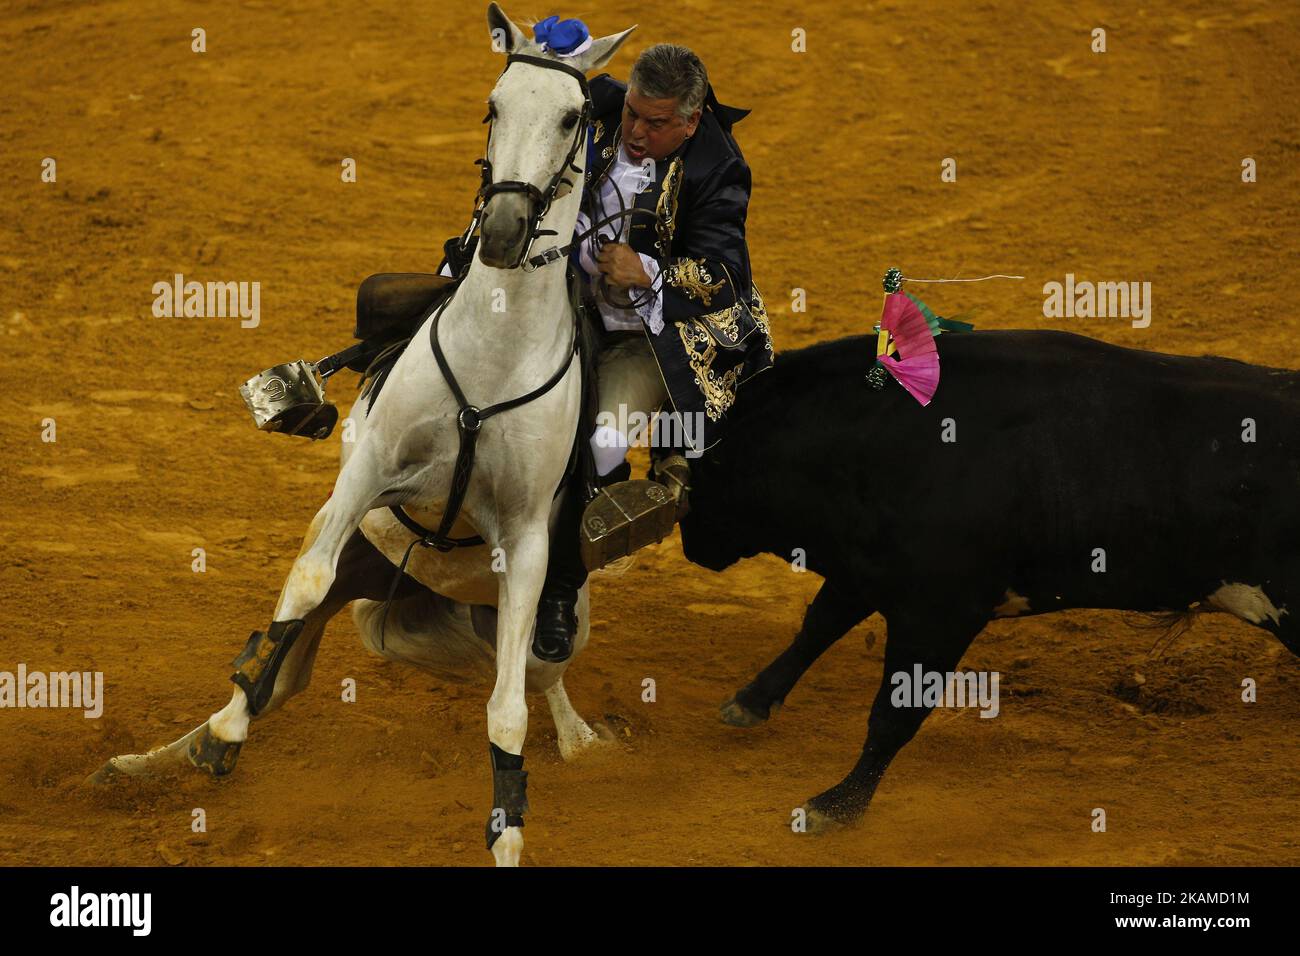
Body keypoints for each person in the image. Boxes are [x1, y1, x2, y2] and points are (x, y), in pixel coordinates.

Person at [439, 27, 775, 663]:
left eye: (653, 123)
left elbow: (727, 276)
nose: (635, 132)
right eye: (631, 114)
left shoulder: (719, 168)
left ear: (689, 120)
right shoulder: (600, 106)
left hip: (651, 337)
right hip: (568, 307)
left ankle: (561, 589)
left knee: (599, 444)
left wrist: (648, 272)